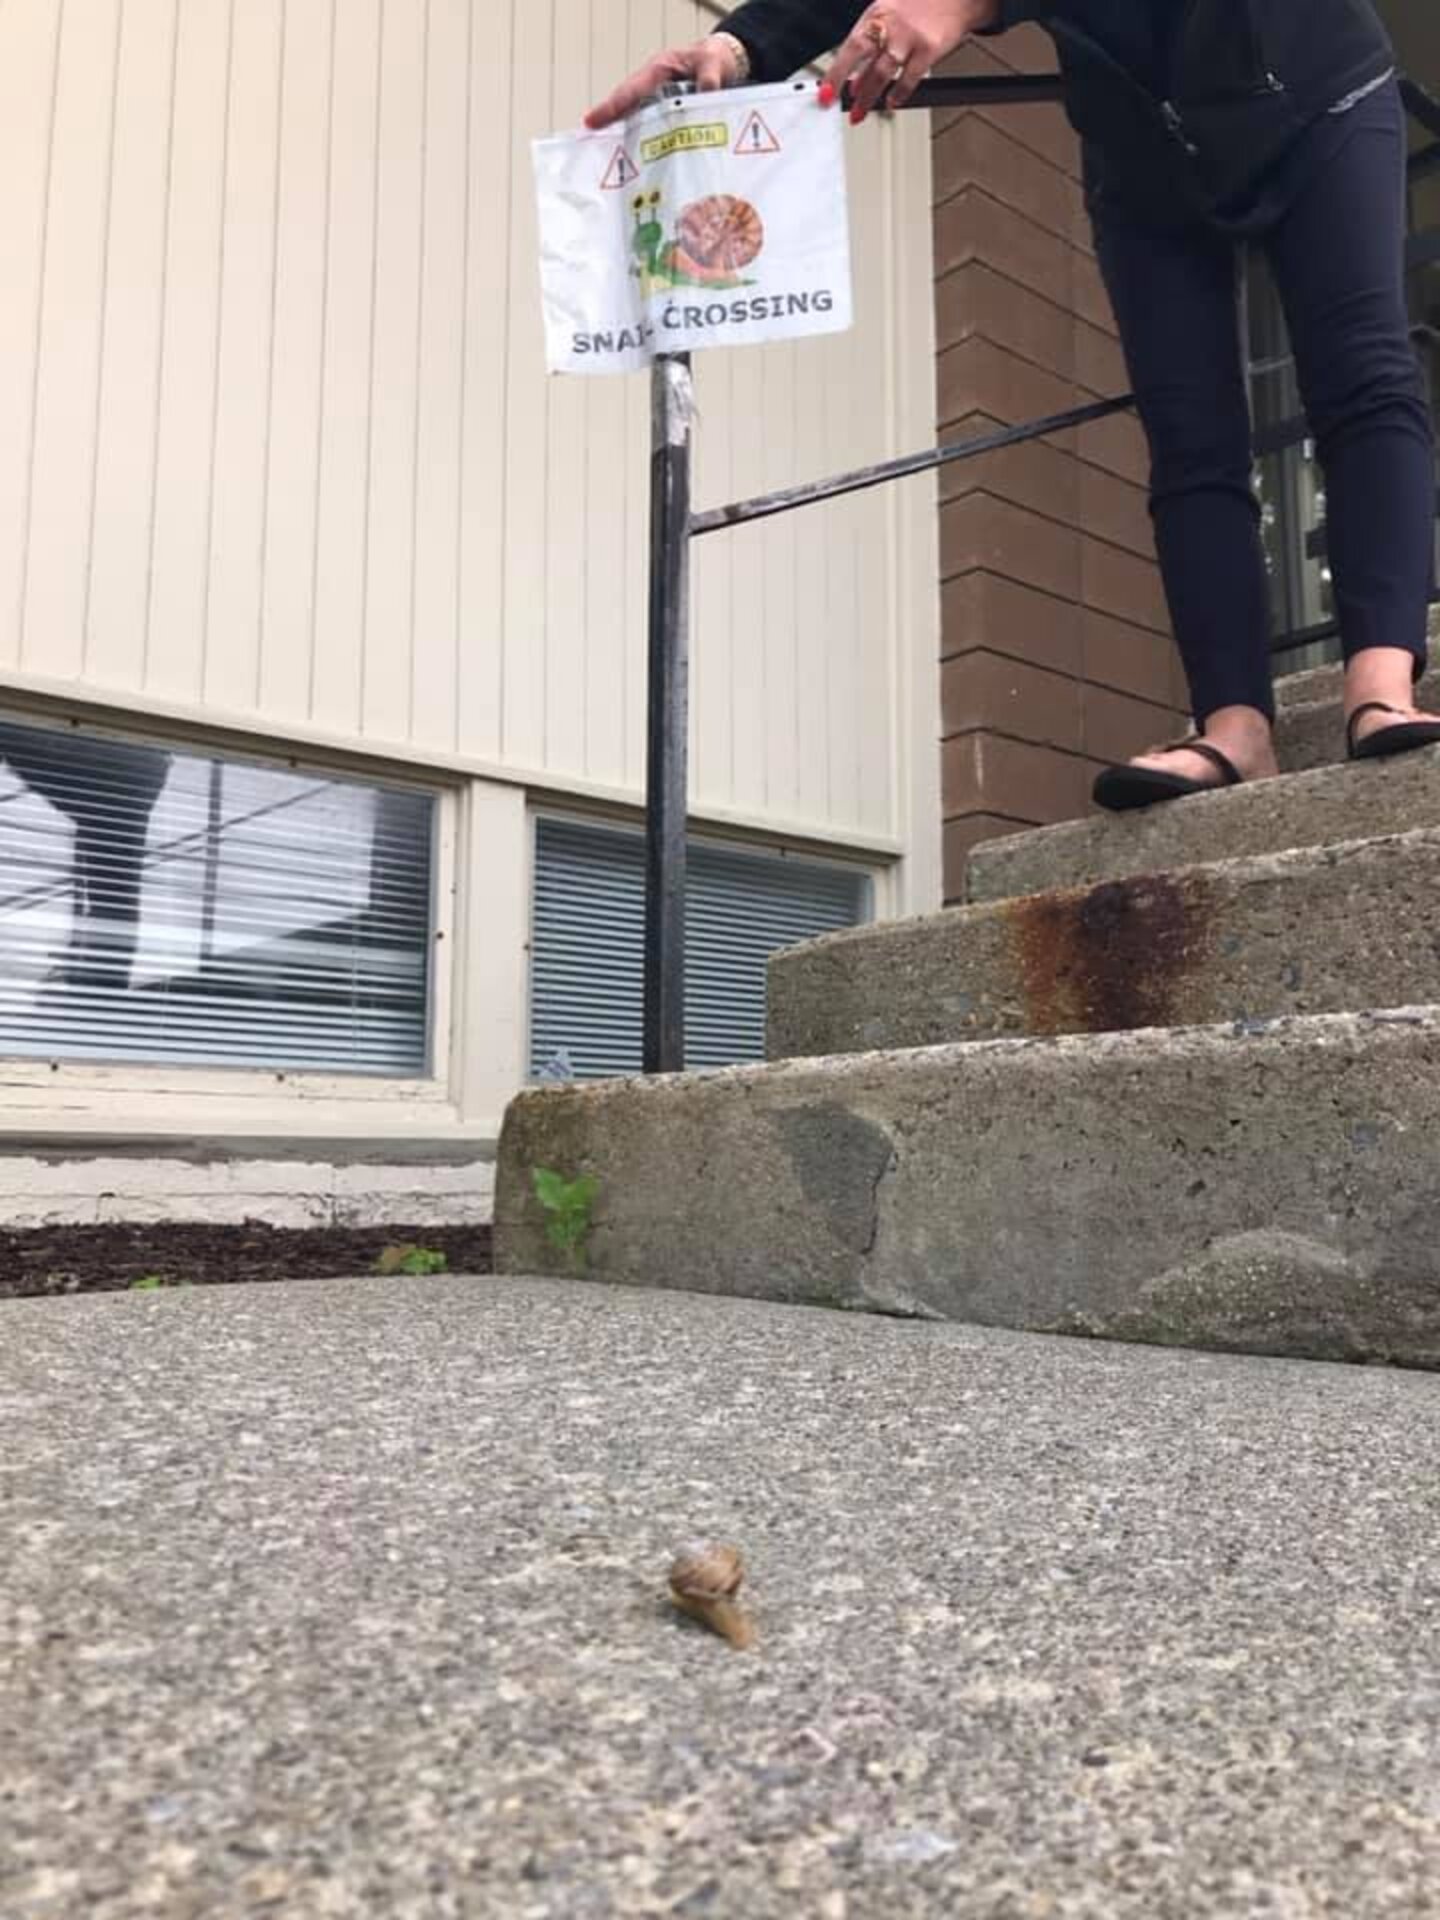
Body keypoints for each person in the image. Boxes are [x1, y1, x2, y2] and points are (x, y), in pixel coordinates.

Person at [588, 1, 1440, 811]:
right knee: (1188, 438)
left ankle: (1380, 688)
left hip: (1315, 82)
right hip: (1140, 135)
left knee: (1360, 380)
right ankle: (1235, 728)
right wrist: (737, 50)